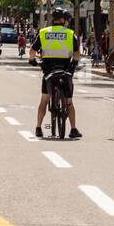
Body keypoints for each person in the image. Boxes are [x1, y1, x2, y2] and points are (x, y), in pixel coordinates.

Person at [32, 8, 82, 139]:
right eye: (66, 20)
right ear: (62, 20)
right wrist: (74, 64)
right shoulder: (70, 34)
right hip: (65, 70)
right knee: (69, 101)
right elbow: (77, 55)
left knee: (44, 100)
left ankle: (38, 127)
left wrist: (32, 60)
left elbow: (32, 50)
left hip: (48, 71)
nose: (67, 23)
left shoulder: (43, 32)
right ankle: (73, 129)